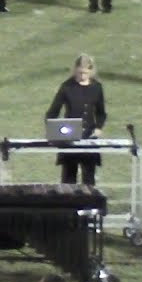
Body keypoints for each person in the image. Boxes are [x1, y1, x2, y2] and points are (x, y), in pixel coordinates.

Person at [46, 54, 107, 186]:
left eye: (85, 73)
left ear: (91, 71)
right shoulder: (66, 87)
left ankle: (90, 205)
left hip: (89, 138)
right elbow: (52, 112)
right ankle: (67, 205)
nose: (82, 76)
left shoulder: (97, 87)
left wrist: (98, 127)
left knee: (89, 179)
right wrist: (54, 131)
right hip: (69, 137)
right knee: (68, 180)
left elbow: (101, 113)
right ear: (75, 70)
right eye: (79, 73)